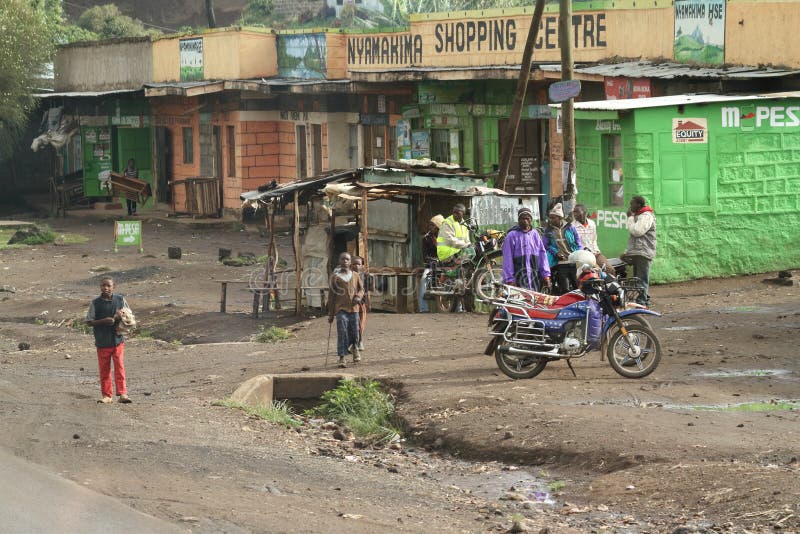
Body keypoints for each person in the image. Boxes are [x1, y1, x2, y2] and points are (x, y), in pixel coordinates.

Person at [85, 276, 132, 404]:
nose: (105, 288)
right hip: (102, 341)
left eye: (108, 285)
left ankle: (123, 394)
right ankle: (107, 396)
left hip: (117, 340)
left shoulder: (120, 300)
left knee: (119, 367)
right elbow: (89, 322)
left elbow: (129, 315)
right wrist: (104, 321)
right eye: (103, 285)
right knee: (104, 369)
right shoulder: (95, 303)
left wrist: (119, 317)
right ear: (100, 287)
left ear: (113, 286)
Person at [501, 207, 551, 291]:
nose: (525, 221)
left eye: (527, 218)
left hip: (534, 276)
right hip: (518, 276)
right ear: (518, 220)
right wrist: (510, 280)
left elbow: (542, 255)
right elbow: (507, 259)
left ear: (531, 220)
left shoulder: (535, 234)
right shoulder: (511, 236)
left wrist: (546, 275)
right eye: (522, 218)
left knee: (534, 296)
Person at [328, 252, 365, 368]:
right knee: (342, 331)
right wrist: (331, 314)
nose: (345, 261)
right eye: (343, 259)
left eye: (347, 259)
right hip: (340, 309)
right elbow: (331, 296)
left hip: (354, 309)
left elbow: (361, 289)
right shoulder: (335, 277)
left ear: (350, 262)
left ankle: (355, 348)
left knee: (355, 331)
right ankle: (342, 357)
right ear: (339, 261)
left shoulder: (355, 275)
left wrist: (358, 297)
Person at [622, 195, 657, 306]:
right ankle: (644, 298)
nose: (630, 206)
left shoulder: (646, 216)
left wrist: (630, 218)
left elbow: (637, 231)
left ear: (639, 204)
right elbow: (633, 237)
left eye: (632, 204)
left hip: (644, 251)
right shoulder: (639, 216)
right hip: (638, 251)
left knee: (642, 278)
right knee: (638, 278)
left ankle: (642, 301)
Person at [543, 203, 583, 294]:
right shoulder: (548, 230)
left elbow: (578, 242)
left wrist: (578, 253)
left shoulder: (570, 227)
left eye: (553, 218)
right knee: (565, 289)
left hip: (574, 261)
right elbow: (545, 245)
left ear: (560, 218)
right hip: (561, 263)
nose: (551, 220)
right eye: (550, 217)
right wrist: (555, 253)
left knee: (578, 287)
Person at [571, 204, 615, 276]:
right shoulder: (572, 226)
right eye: (574, 212)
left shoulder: (592, 223)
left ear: (584, 212)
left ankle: (610, 283)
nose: (575, 214)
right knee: (598, 271)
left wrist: (596, 251)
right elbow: (574, 244)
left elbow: (594, 239)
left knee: (610, 269)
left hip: (595, 253)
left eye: (577, 212)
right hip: (584, 256)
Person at [418, 215, 442, 313]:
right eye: (430, 225)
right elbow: (425, 256)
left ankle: (458, 308)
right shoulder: (426, 239)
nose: (430, 227)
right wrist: (434, 260)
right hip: (432, 266)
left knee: (456, 282)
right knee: (424, 280)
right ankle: (423, 309)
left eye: (432, 225)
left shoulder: (445, 239)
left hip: (445, 266)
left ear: (438, 227)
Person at [351, 256, 372, 351]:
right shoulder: (348, 276)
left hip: (361, 303)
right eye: (354, 264)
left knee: (360, 324)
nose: (356, 266)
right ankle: (353, 343)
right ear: (350, 265)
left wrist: (364, 302)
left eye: (358, 264)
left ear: (361, 265)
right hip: (350, 304)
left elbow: (367, 290)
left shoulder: (365, 276)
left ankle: (360, 341)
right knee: (352, 324)